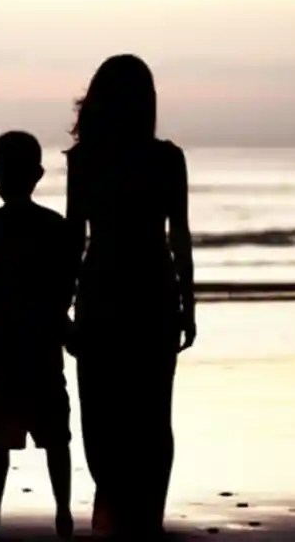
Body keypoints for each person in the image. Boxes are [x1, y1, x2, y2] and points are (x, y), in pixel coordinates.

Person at [65, 55, 195, 537]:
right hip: (151, 291)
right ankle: (144, 519)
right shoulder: (166, 159)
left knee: (103, 418)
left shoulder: (86, 160)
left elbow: (74, 237)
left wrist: (62, 307)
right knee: (151, 417)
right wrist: (189, 302)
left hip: (102, 291)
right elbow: (178, 236)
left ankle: (117, 512)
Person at [0, 132, 75, 540]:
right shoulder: (55, 227)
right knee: (53, 438)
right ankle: (62, 514)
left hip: (1, 346)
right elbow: (65, 290)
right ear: (37, 174)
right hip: (39, 345)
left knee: (0, 440)